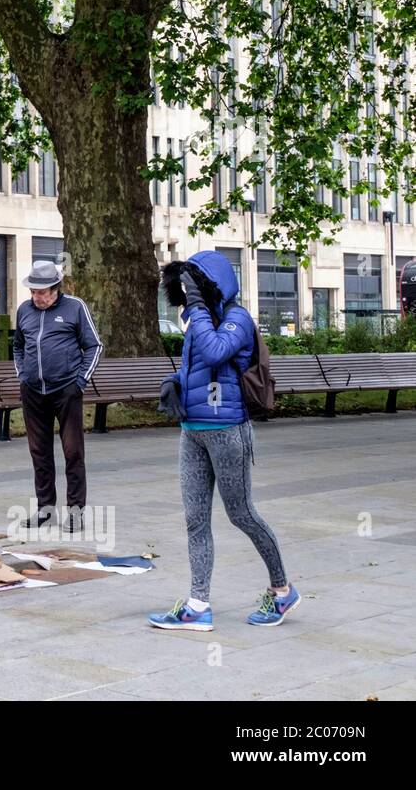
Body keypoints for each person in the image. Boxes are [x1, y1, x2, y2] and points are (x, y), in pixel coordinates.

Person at [149, 251, 298, 631]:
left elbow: (217, 350)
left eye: (192, 286)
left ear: (209, 285)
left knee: (242, 514)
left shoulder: (238, 319)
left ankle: (282, 591)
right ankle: (198, 605)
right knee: (195, 520)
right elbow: (196, 366)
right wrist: (175, 383)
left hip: (228, 431)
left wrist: (197, 309)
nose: (187, 294)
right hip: (192, 432)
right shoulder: (196, 321)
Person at [11, 259, 103, 532]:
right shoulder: (24, 311)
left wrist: (80, 381)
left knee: (73, 452)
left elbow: (94, 346)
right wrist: (22, 375)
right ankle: (45, 509)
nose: (36, 297)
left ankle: (75, 512)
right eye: (33, 292)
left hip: (67, 390)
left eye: (41, 292)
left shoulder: (75, 307)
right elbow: (17, 347)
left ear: (55, 289)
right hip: (33, 391)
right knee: (39, 452)